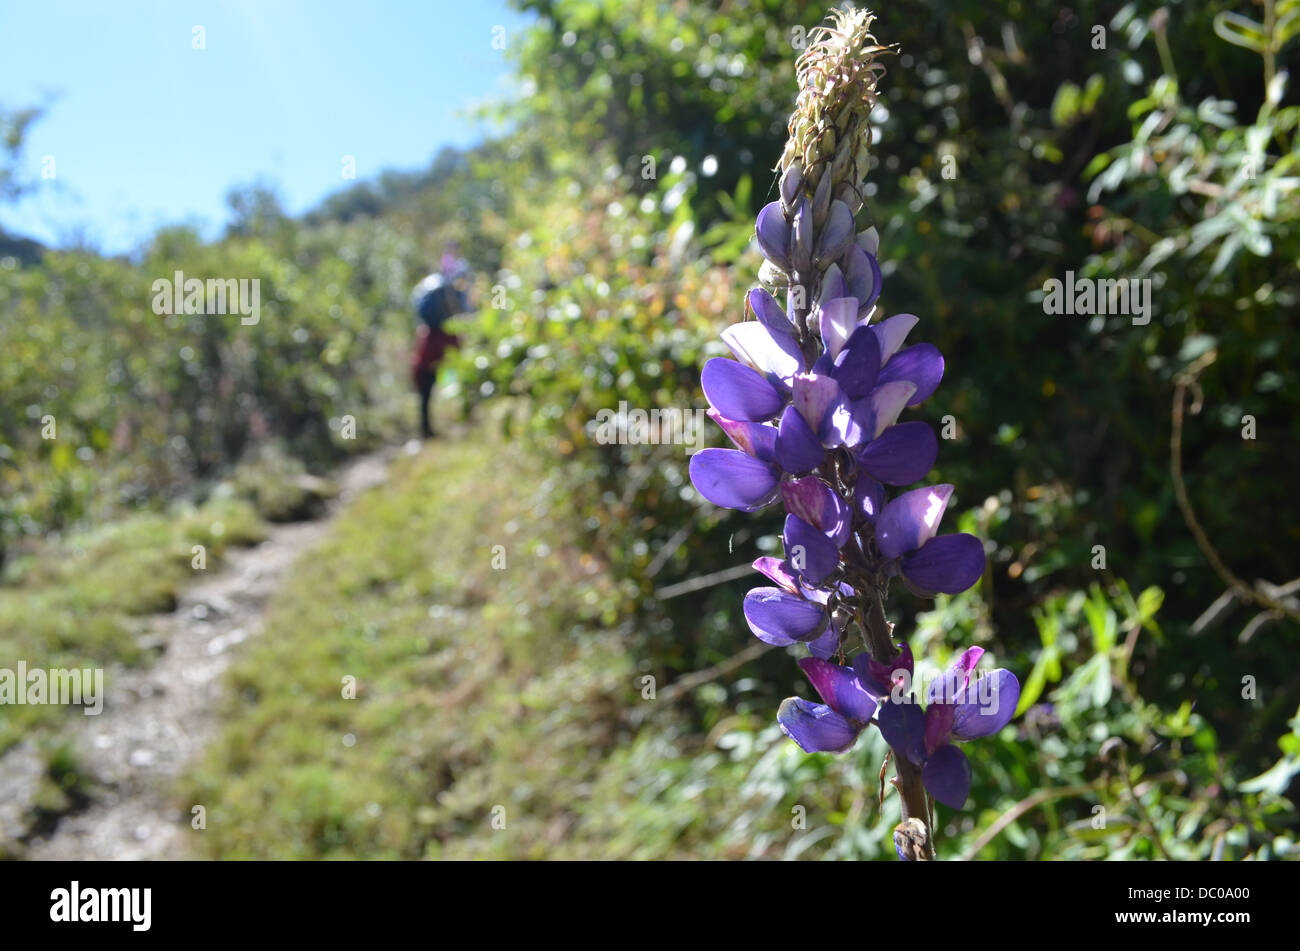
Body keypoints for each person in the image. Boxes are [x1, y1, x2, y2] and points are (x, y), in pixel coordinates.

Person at [410, 254, 468, 439]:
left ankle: (427, 430)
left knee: (425, 397)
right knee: (454, 386)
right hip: (439, 363)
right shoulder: (448, 334)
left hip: (428, 365)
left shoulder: (426, 333)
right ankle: (454, 423)